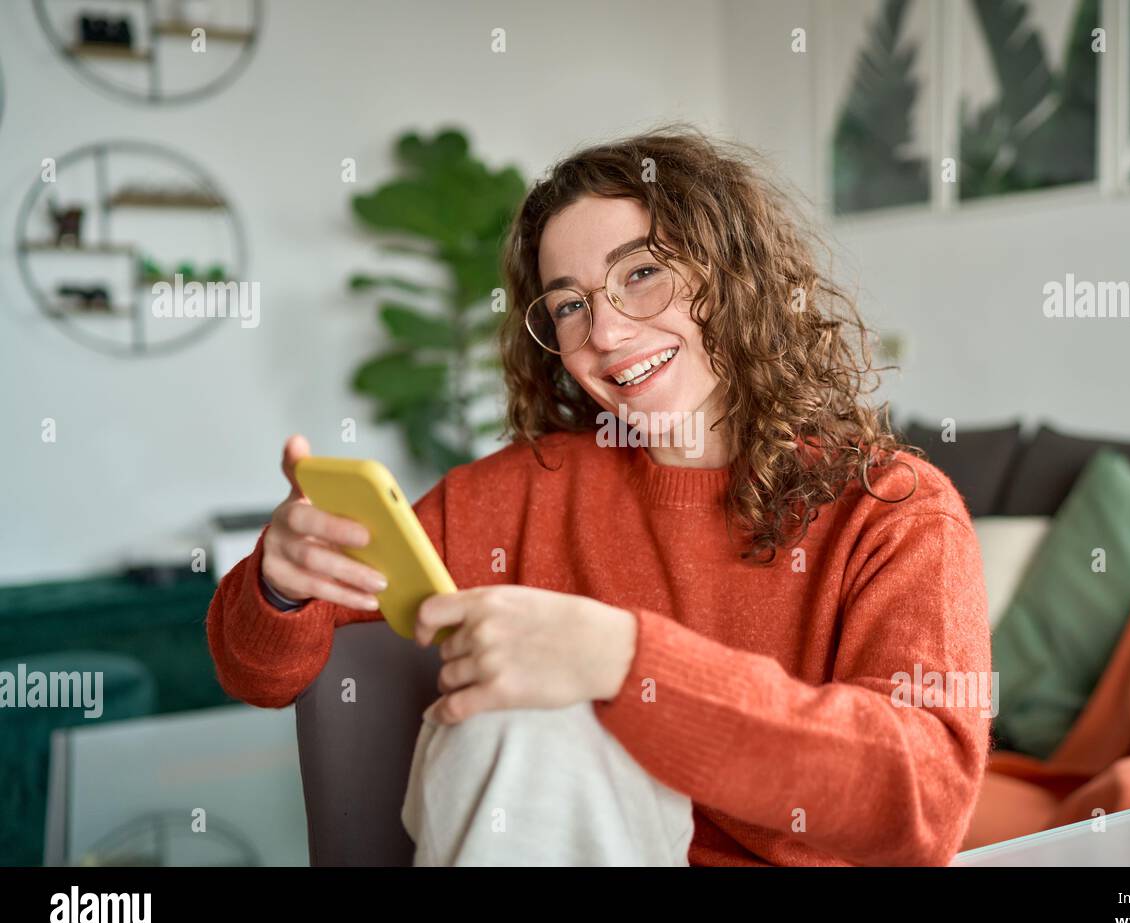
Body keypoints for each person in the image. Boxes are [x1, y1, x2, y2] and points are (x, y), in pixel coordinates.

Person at [206, 123, 992, 866]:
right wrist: (280, 586)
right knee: (519, 720)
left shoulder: (892, 510)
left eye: (641, 274)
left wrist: (622, 663)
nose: (606, 334)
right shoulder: (518, 492)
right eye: (570, 305)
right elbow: (259, 675)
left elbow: (925, 798)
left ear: (732, 278)